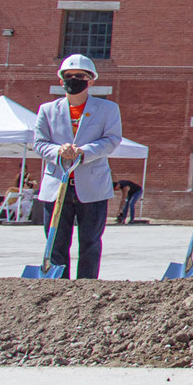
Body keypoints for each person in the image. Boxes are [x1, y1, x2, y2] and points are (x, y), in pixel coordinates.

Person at [32, 53, 125, 279]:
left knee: (91, 243)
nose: (74, 80)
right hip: (57, 186)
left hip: (92, 187)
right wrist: (58, 151)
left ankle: (87, 286)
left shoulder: (107, 109)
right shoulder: (47, 110)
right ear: (61, 80)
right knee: (56, 242)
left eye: (80, 76)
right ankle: (58, 284)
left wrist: (84, 152)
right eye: (69, 76)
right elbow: (39, 143)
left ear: (90, 81)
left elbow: (112, 140)